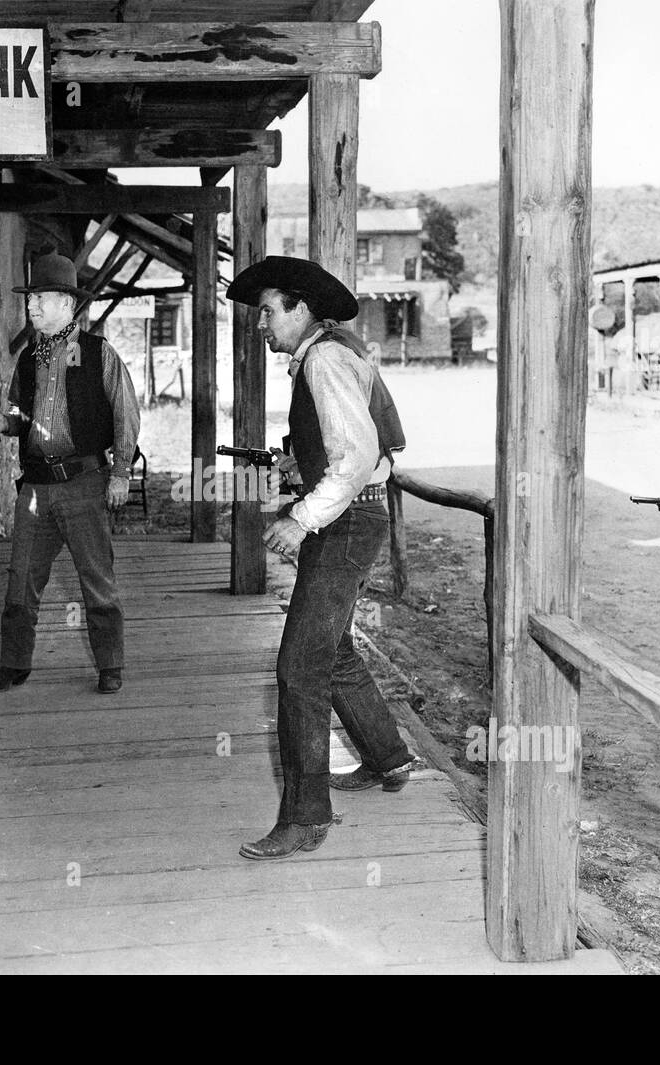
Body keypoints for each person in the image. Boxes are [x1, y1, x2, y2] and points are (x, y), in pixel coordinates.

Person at [226, 255, 414, 861]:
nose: (261, 324)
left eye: (268, 311)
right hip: (354, 515)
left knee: (297, 670)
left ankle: (306, 817)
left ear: (300, 309)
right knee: (329, 653)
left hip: (346, 521)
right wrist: (296, 467)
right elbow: (347, 447)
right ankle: (389, 757)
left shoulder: (326, 359)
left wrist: (301, 516)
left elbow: (355, 457)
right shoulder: (327, 352)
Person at [0, 253, 140, 696]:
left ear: (69, 305)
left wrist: (121, 474)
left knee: (97, 581)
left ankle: (110, 666)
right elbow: (17, 413)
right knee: (20, 581)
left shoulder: (98, 353)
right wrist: (1, 421)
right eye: (30, 299)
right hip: (34, 488)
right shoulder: (28, 358)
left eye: (41, 300)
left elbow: (126, 414)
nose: (31, 308)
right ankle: (15, 664)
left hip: (84, 484)